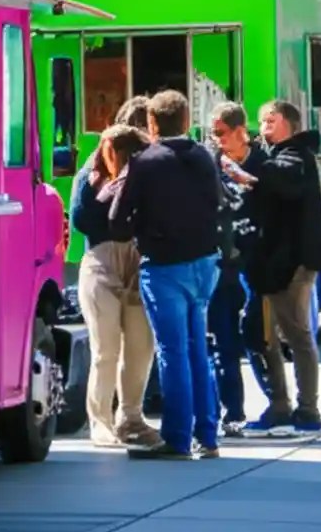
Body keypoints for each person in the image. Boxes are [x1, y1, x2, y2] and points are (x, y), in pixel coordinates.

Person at [110, 90, 223, 460]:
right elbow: (218, 202)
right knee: (198, 349)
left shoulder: (145, 162)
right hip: (204, 262)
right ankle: (207, 435)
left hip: (164, 266)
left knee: (171, 352)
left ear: (153, 124)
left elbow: (117, 217)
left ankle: (176, 436)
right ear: (186, 120)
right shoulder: (204, 156)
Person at [223, 101, 321, 438]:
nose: (264, 123)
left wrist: (243, 173)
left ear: (291, 124)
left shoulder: (297, 156)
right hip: (269, 264)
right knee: (263, 335)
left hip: (294, 262)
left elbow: (281, 179)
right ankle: (280, 405)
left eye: (272, 119)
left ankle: (308, 410)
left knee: (297, 334)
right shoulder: (273, 156)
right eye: (261, 119)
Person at [70, 124, 159, 448]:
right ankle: (100, 422)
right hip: (101, 262)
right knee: (105, 350)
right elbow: (83, 220)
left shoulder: (146, 175)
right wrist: (114, 188)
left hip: (137, 261)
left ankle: (131, 416)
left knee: (140, 346)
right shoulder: (88, 177)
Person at [205, 102, 268, 438]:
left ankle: (278, 403)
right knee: (223, 343)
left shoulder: (263, 161)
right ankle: (232, 413)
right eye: (213, 134)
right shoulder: (211, 164)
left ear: (242, 131)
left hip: (258, 264)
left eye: (222, 133)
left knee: (260, 339)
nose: (217, 141)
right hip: (225, 266)